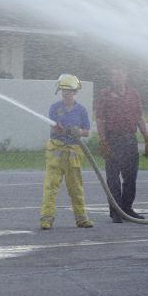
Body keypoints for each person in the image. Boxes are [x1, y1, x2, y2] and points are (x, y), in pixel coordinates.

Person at [95, 67, 148, 223]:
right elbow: (100, 119)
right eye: (114, 75)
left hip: (130, 139)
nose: (117, 78)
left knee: (130, 177)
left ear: (126, 76)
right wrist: (103, 140)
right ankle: (115, 211)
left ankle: (127, 208)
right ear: (111, 77)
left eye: (120, 75)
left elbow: (139, 117)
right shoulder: (105, 94)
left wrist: (147, 137)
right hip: (112, 139)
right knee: (113, 178)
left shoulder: (133, 94)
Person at [40, 74, 94, 230]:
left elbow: (87, 132)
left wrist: (78, 131)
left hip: (73, 153)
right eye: (63, 90)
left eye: (69, 91)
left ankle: (81, 219)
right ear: (60, 91)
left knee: (76, 188)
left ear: (75, 92)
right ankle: (47, 218)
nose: (66, 93)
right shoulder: (55, 108)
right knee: (51, 187)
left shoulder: (81, 110)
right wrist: (59, 129)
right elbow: (53, 126)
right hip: (56, 151)